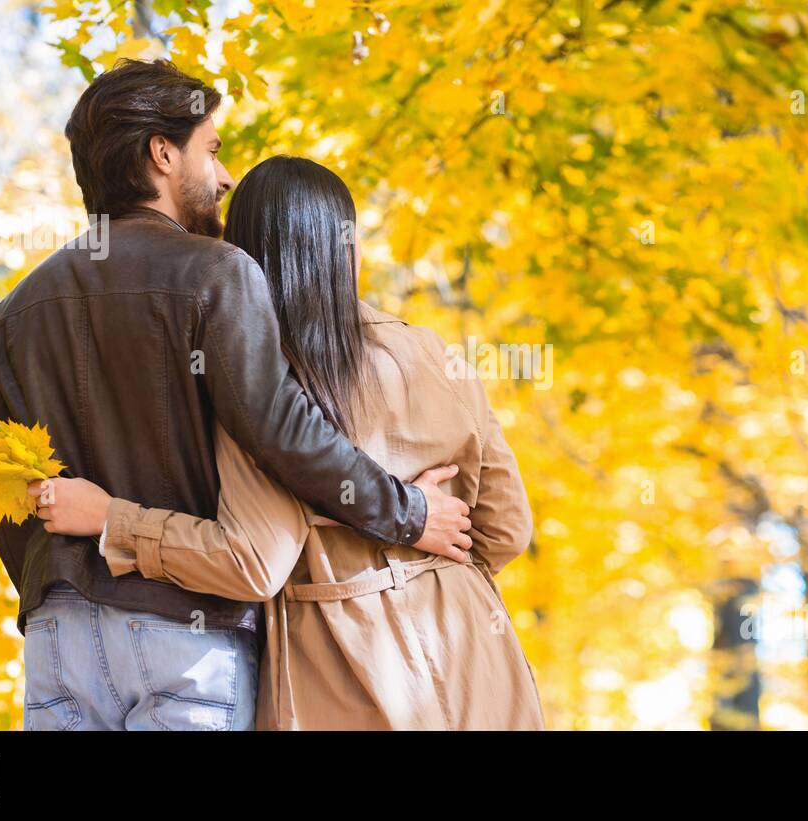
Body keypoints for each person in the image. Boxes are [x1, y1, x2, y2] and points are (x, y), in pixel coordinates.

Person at [0, 60, 472, 731]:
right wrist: (407, 510)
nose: (227, 175)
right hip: (184, 629)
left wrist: (46, 588)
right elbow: (282, 432)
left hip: (58, 636)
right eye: (212, 149)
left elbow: (1, 488)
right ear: (162, 153)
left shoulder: (13, 312)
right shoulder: (216, 272)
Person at [34, 156, 544, 730]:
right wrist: (410, 545)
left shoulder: (256, 383)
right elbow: (505, 529)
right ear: (346, 248)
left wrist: (112, 518)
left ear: (243, 259)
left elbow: (249, 561)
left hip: (346, 673)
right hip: (479, 662)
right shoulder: (435, 354)